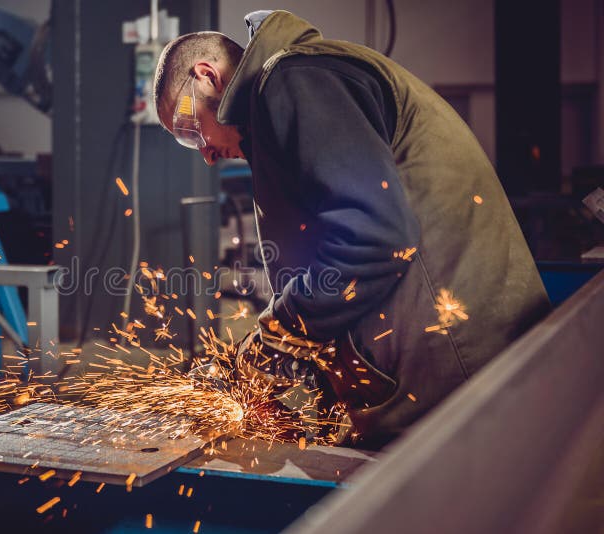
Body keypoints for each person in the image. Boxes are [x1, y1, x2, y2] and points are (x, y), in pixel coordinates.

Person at [153, 10, 550, 447]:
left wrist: (280, 333)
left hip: (456, 363)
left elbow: (374, 239)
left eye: (191, 131)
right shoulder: (291, 92)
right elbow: (336, 246)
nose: (205, 153)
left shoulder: (295, 79)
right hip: (442, 360)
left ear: (207, 75)